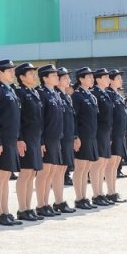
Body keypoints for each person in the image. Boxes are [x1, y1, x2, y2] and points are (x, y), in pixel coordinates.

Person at [0, 59, 21, 226]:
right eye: (9, 70)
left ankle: (5, 210)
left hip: (11, 139)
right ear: (0, 73)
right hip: (2, 139)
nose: (12, 73)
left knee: (6, 176)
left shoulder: (11, 90)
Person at [14, 63, 44, 221]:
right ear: (22, 77)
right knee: (25, 173)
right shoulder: (19, 93)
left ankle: (28, 207)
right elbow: (17, 118)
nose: (34, 76)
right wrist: (19, 139)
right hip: (25, 138)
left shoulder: (34, 93)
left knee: (32, 173)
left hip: (35, 138)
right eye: (31, 73)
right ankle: (22, 208)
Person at [35, 64, 63, 217]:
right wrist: (42, 141)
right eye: (53, 75)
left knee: (51, 171)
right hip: (47, 138)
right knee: (44, 173)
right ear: (45, 78)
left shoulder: (56, 94)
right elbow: (40, 120)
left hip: (56, 138)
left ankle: (46, 203)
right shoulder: (42, 94)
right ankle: (41, 204)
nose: (56, 77)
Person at [72, 67, 99, 209]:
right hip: (82, 136)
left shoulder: (91, 96)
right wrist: (75, 136)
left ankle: (84, 196)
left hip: (92, 136)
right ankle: (79, 197)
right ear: (81, 79)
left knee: (87, 167)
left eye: (92, 77)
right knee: (80, 168)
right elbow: (74, 118)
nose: (92, 79)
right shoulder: (77, 96)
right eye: (88, 77)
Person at [89, 68, 114, 206]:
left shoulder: (106, 93)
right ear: (98, 79)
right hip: (98, 132)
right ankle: (96, 194)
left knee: (103, 163)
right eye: (105, 77)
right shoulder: (95, 93)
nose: (108, 80)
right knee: (97, 165)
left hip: (105, 132)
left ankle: (101, 193)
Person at [54, 68, 77, 213]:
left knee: (62, 170)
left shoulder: (66, 96)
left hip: (68, 137)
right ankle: (58, 201)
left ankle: (60, 200)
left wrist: (75, 136)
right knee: (57, 171)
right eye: (65, 78)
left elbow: (71, 120)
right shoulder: (56, 95)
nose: (69, 81)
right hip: (60, 138)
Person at [106, 70, 127, 202]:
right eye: (118, 78)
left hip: (120, 133)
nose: (121, 80)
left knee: (116, 163)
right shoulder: (109, 94)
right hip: (113, 133)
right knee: (111, 164)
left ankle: (113, 190)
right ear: (111, 80)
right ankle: (110, 192)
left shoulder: (118, 95)